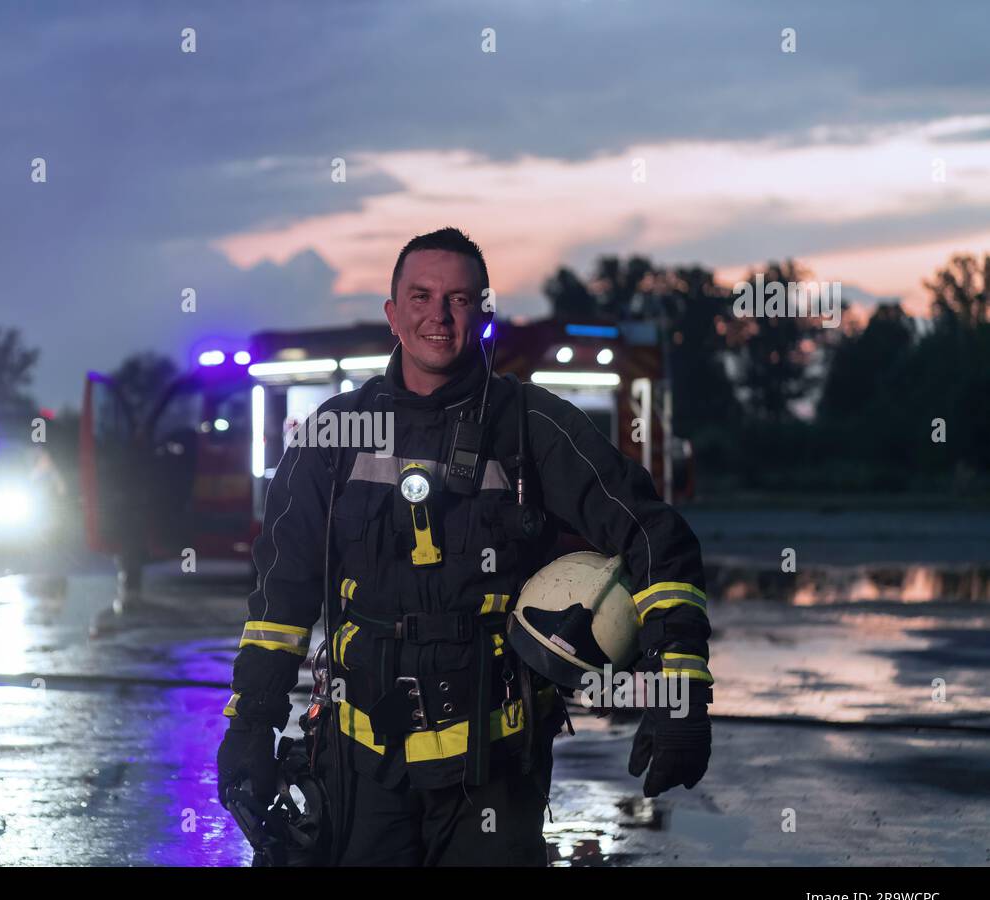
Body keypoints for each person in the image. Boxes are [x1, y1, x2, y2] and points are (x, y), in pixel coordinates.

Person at [217, 227, 712, 866]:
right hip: (360, 769)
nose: (438, 314)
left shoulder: (531, 426)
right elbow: (280, 597)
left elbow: (655, 536)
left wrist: (681, 690)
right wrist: (252, 723)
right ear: (392, 313)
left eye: (458, 298)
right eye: (420, 296)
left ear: (482, 312)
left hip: (495, 771)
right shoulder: (332, 437)